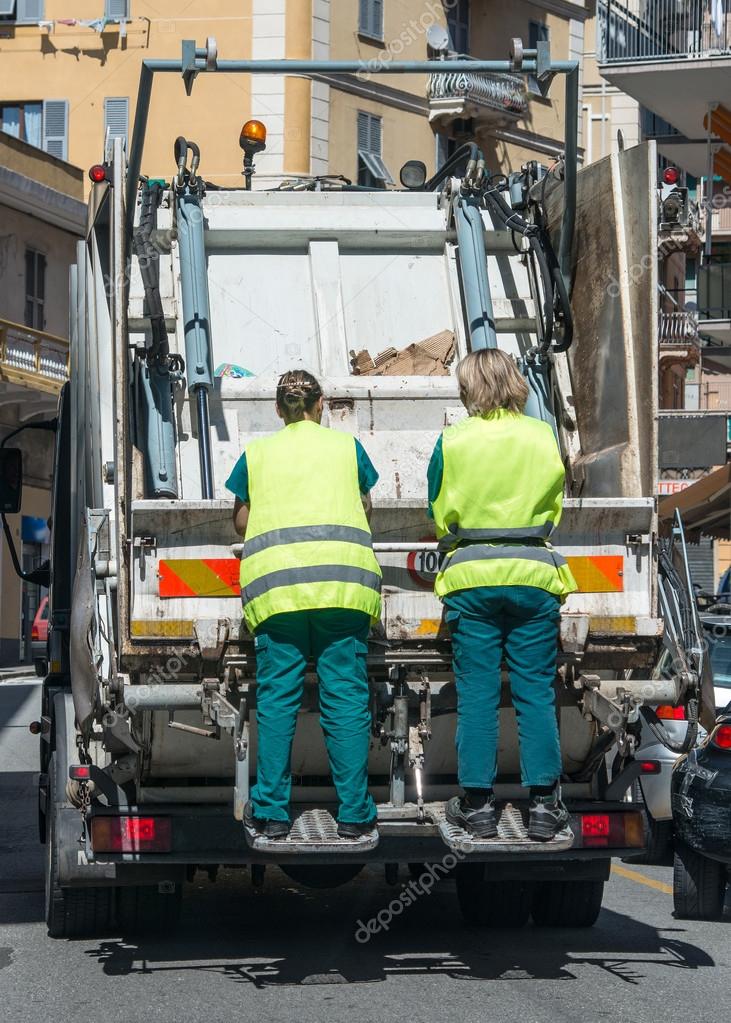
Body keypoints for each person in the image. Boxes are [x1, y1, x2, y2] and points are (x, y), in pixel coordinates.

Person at [428, 349, 578, 841]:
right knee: (535, 690)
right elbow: (558, 498)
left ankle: (477, 805)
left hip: (472, 578)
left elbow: (437, 506)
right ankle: (542, 806)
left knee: (477, 694)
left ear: (468, 388)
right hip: (534, 574)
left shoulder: (452, 441)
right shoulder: (543, 437)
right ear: (515, 382)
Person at [226, 370, 381, 839]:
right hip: (343, 591)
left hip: (279, 592)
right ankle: (354, 814)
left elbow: (240, 522)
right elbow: (366, 506)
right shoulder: (347, 449)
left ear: (278, 410)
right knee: (345, 699)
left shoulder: (256, 455)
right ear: (322, 405)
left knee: (277, 700)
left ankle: (272, 813)